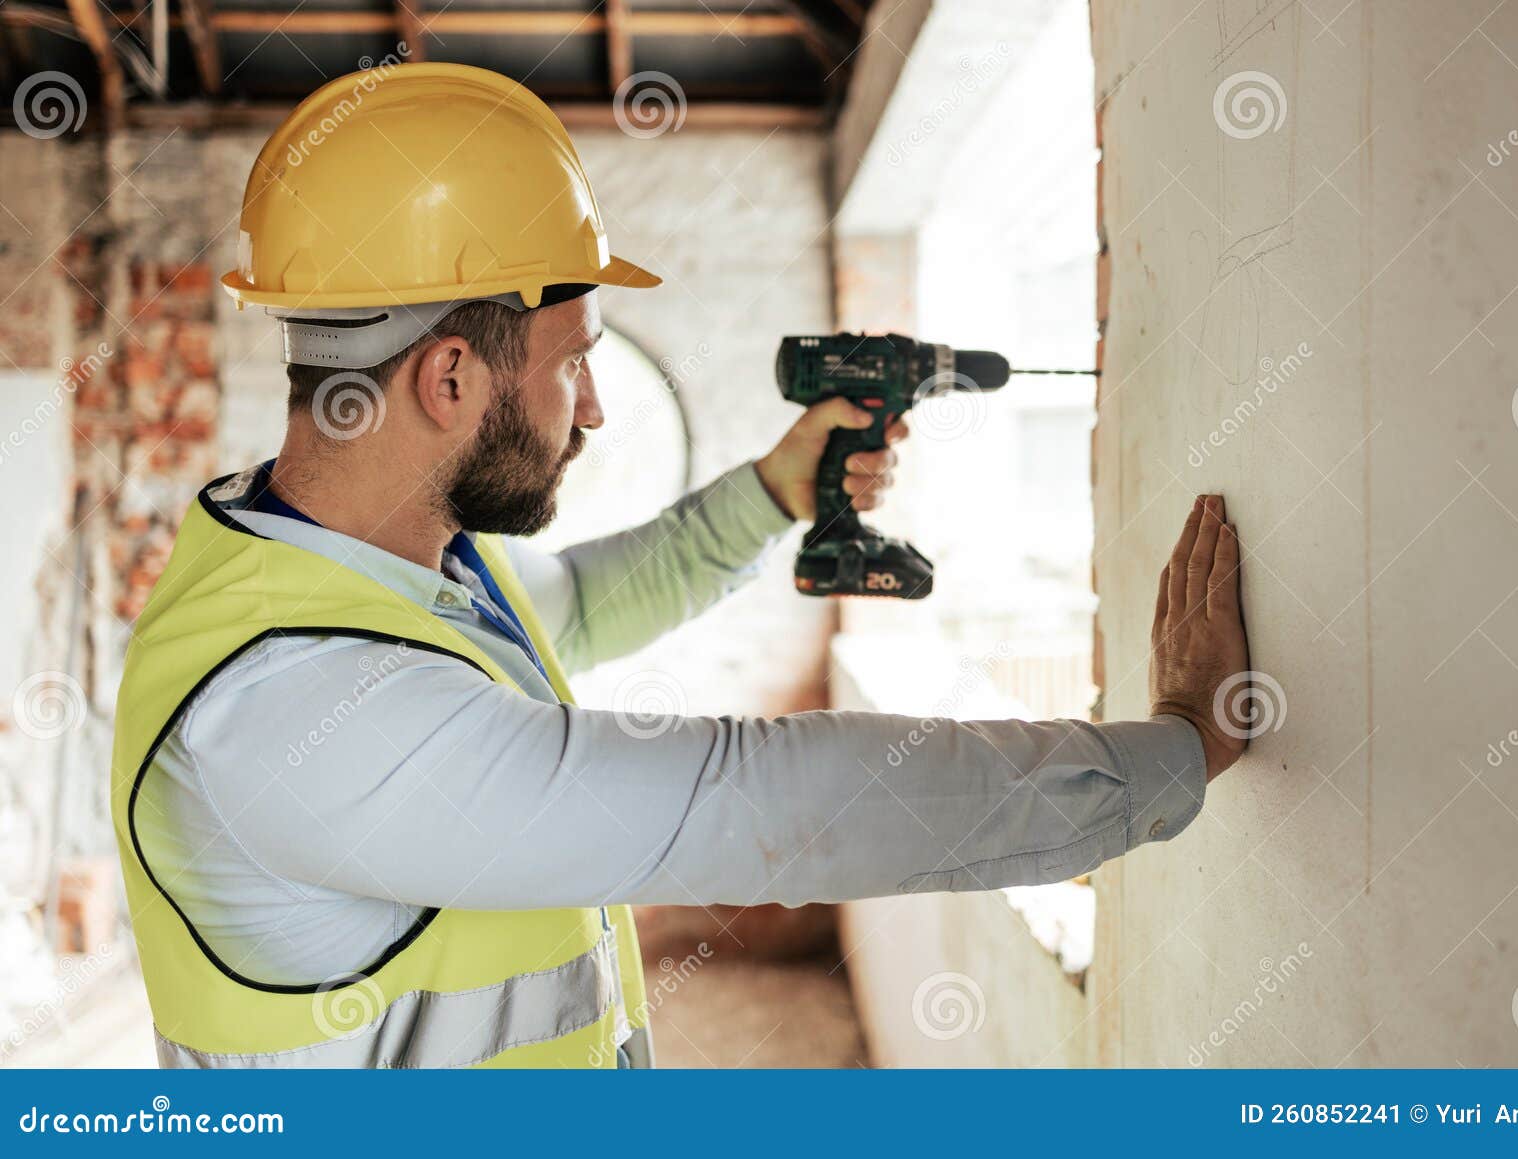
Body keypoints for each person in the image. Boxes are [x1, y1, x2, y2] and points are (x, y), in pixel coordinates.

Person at [111, 63, 1251, 1070]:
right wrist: (1171, 753)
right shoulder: (298, 710)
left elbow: (593, 598)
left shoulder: (370, 568)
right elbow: (759, 802)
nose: (594, 409)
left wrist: (773, 489)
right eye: (574, 365)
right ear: (449, 378)